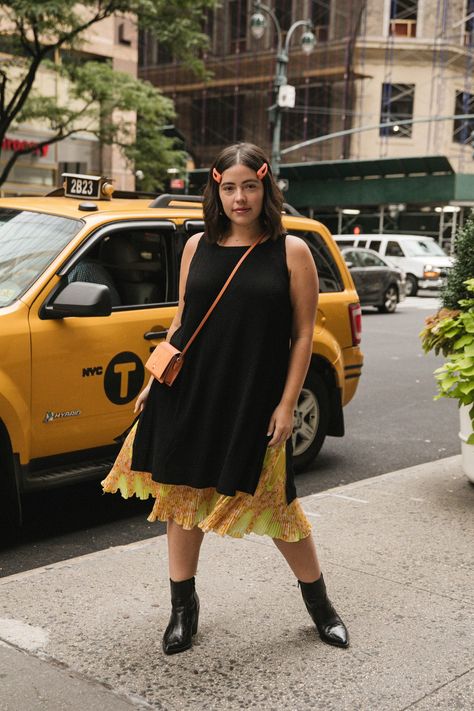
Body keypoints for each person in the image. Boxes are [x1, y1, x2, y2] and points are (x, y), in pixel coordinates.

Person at [101, 142, 349, 654]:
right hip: (188, 390)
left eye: (250, 187)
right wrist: (154, 379)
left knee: (278, 506)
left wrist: (286, 404)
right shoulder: (197, 246)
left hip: (253, 399)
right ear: (216, 188)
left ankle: (320, 607)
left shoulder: (291, 250)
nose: (240, 198)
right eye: (229, 187)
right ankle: (182, 611)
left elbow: (302, 336)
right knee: (181, 500)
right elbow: (180, 321)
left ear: (266, 188)